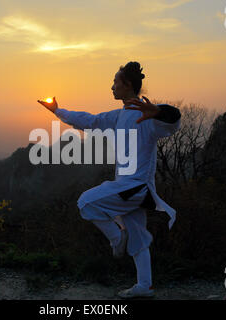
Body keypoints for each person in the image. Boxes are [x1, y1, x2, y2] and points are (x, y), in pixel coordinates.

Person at [37, 61, 181, 298]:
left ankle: (116, 238)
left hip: (136, 188)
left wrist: (160, 113)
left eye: (116, 81)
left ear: (127, 85)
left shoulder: (147, 116)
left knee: (86, 202)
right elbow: (89, 120)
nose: (112, 86)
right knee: (139, 238)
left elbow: (174, 119)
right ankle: (145, 286)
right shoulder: (118, 116)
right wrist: (57, 111)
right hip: (131, 188)